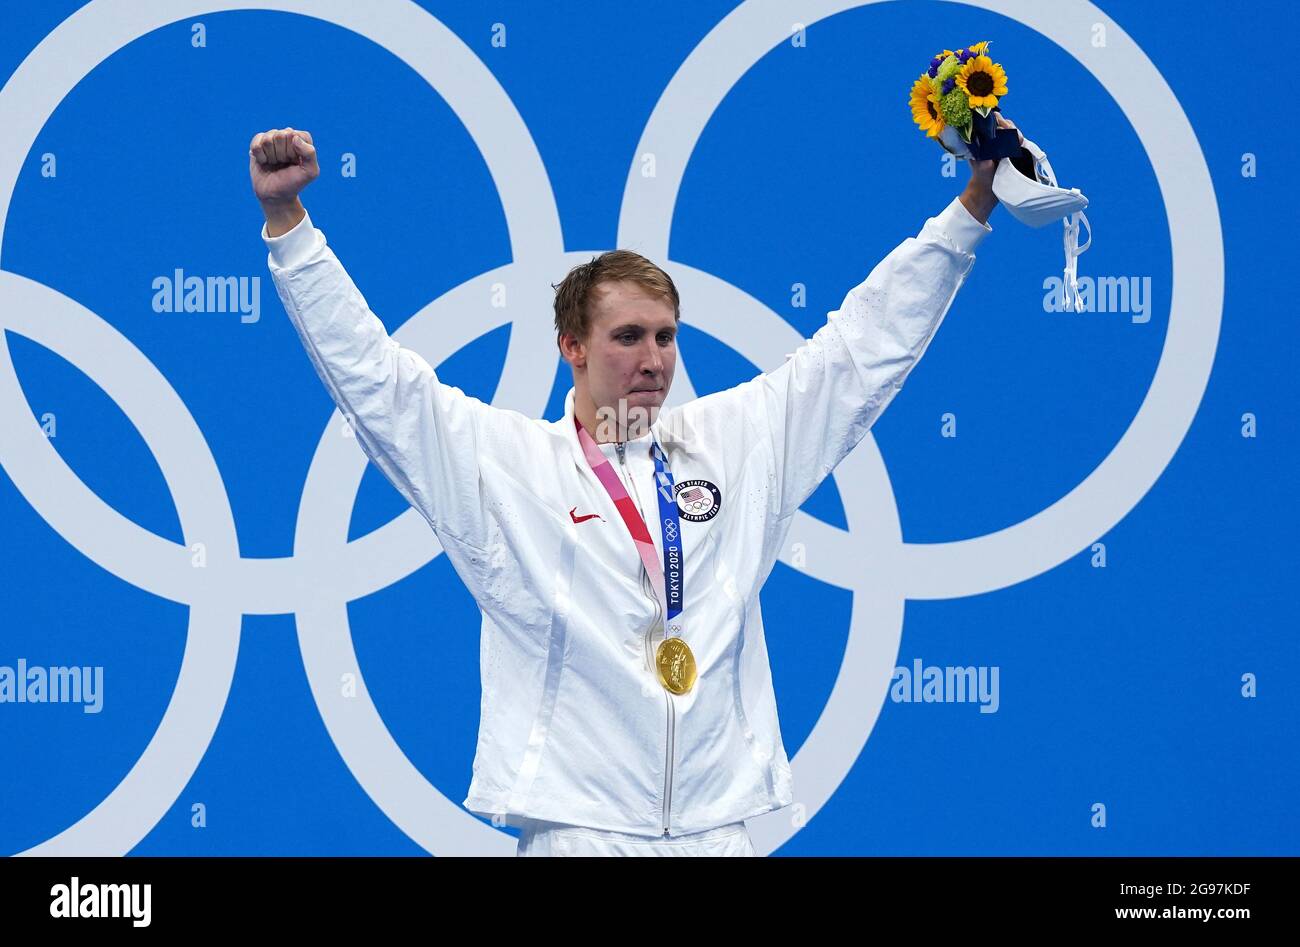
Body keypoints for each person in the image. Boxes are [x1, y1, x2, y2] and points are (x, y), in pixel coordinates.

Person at [249, 117, 1016, 856]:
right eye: (628, 336)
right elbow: (378, 385)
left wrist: (973, 204)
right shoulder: (504, 463)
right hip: (578, 830)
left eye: (665, 335)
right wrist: (290, 226)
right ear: (572, 346)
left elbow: (859, 351)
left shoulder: (738, 441)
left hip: (718, 830)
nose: (653, 359)